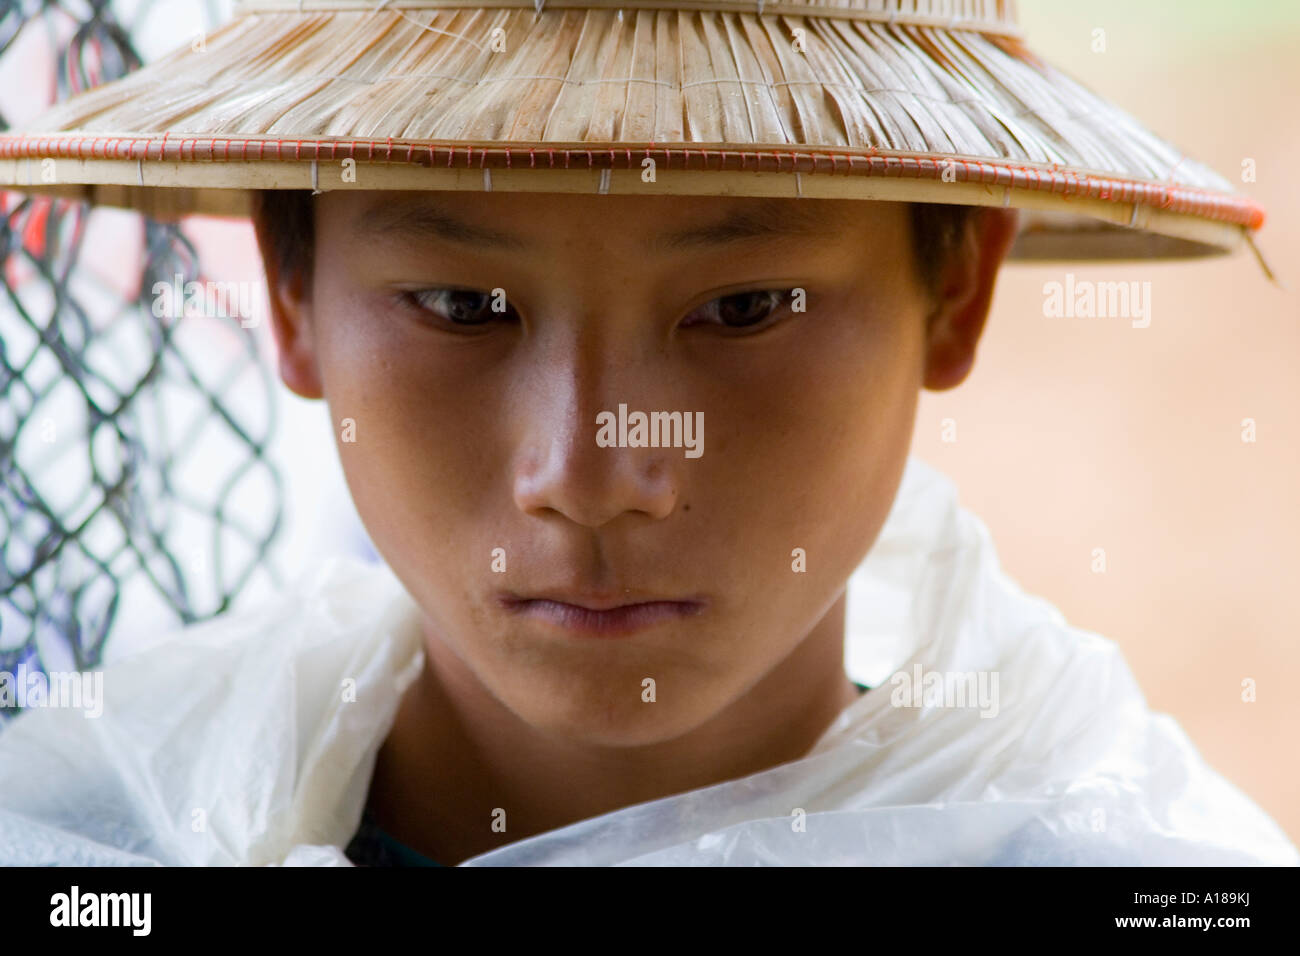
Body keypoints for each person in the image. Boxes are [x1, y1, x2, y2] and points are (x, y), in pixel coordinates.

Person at [0, 0, 1293, 866]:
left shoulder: (1124, 856)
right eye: (462, 306)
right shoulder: (89, 844)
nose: (591, 473)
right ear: (294, 304)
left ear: (953, 291)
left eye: (744, 308)